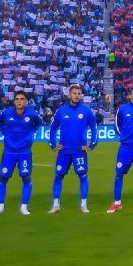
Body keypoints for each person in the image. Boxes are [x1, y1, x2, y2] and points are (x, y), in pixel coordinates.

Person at [49, 84, 98, 213]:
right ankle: (55, 205)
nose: (76, 95)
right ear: (69, 95)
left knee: (82, 176)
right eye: (74, 93)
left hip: (79, 150)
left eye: (78, 93)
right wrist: (53, 145)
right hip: (64, 151)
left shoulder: (86, 110)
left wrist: (92, 145)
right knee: (59, 176)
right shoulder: (61, 111)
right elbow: (53, 128)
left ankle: (83, 204)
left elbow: (94, 129)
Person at [0, 90, 42, 216]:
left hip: (24, 152)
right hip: (9, 152)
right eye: (17, 99)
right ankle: (0, 207)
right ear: (14, 101)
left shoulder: (32, 114)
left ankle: (24, 207)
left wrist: (31, 133)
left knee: (26, 178)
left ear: (26, 101)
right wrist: (5, 131)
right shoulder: (6, 113)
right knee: (3, 179)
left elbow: (39, 123)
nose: (19, 101)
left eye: (22, 99)